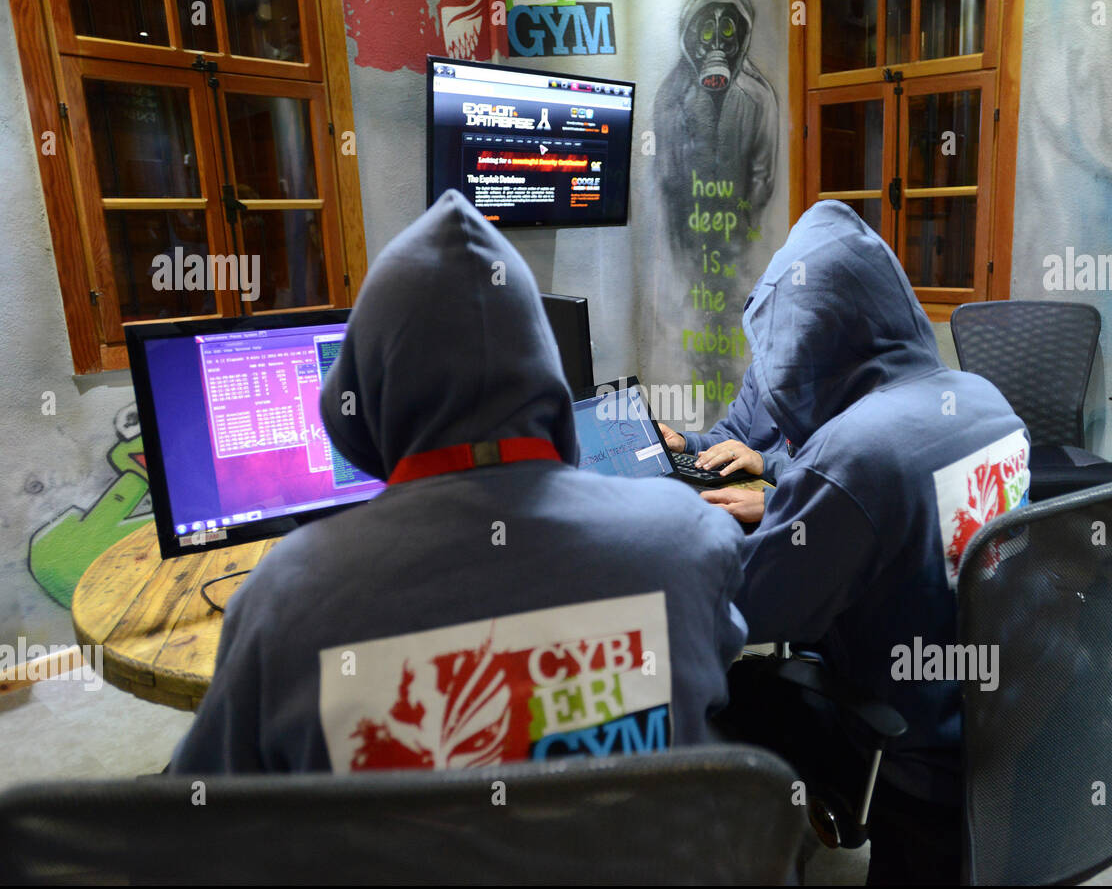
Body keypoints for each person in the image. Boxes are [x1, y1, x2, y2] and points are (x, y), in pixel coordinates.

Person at [170, 191, 747, 774]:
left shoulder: (283, 601)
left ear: (363, 397)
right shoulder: (690, 538)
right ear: (546, 379)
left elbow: (214, 821)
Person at [707, 201, 1031, 884]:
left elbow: (749, 611)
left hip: (906, 742)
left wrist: (679, 531)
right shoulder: (985, 399)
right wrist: (787, 501)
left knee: (725, 687)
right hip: (1001, 714)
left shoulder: (853, 455)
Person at [659, 364, 793, 484]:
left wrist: (764, 462)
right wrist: (685, 443)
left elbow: (812, 471)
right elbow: (732, 437)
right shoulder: (761, 370)